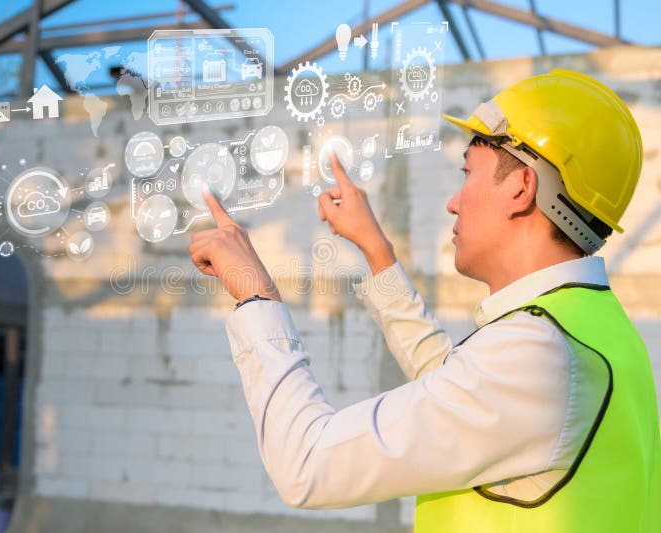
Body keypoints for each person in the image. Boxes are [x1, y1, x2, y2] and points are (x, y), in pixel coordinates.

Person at [187, 69, 661, 532]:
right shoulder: (596, 331)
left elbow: (307, 462)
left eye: (467, 173)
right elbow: (457, 391)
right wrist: (377, 252)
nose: (453, 202)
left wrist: (256, 294)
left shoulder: (539, 353)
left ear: (522, 189)